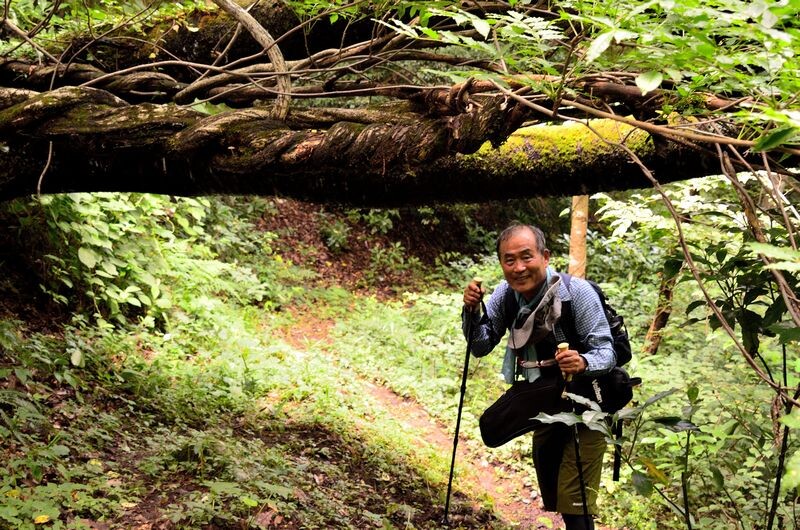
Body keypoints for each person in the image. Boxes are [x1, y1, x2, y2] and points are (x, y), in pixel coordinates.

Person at [462, 222, 615, 530]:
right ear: (502, 264)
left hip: (589, 405)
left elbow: (607, 353)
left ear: (545, 257)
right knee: (554, 489)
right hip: (547, 402)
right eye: (509, 260)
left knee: (575, 499)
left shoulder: (577, 294)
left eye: (526, 257)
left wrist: (582, 361)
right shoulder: (507, 295)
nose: (519, 267)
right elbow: (480, 344)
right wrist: (473, 311)